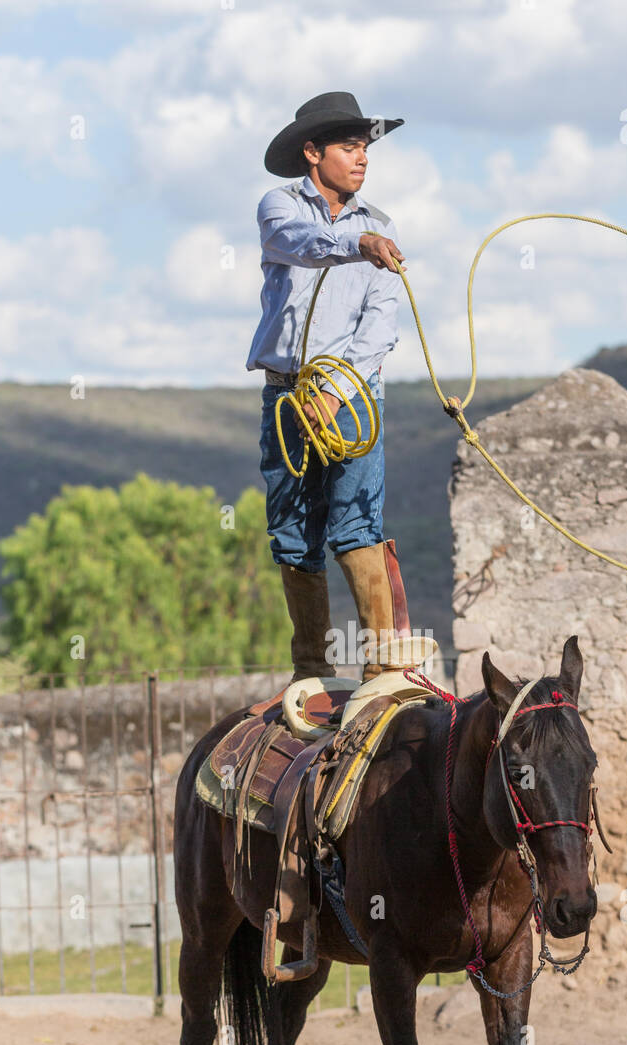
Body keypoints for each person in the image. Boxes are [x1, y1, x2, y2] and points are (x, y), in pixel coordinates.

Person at [246, 91, 415, 686]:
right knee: (294, 531)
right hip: (287, 394)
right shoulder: (279, 207)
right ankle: (311, 670)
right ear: (312, 153)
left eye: (365, 148)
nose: (363, 157)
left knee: (356, 525)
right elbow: (295, 245)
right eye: (350, 147)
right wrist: (355, 245)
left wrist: (337, 392)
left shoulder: (383, 228)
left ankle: (384, 668)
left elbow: (380, 325)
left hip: (353, 396)